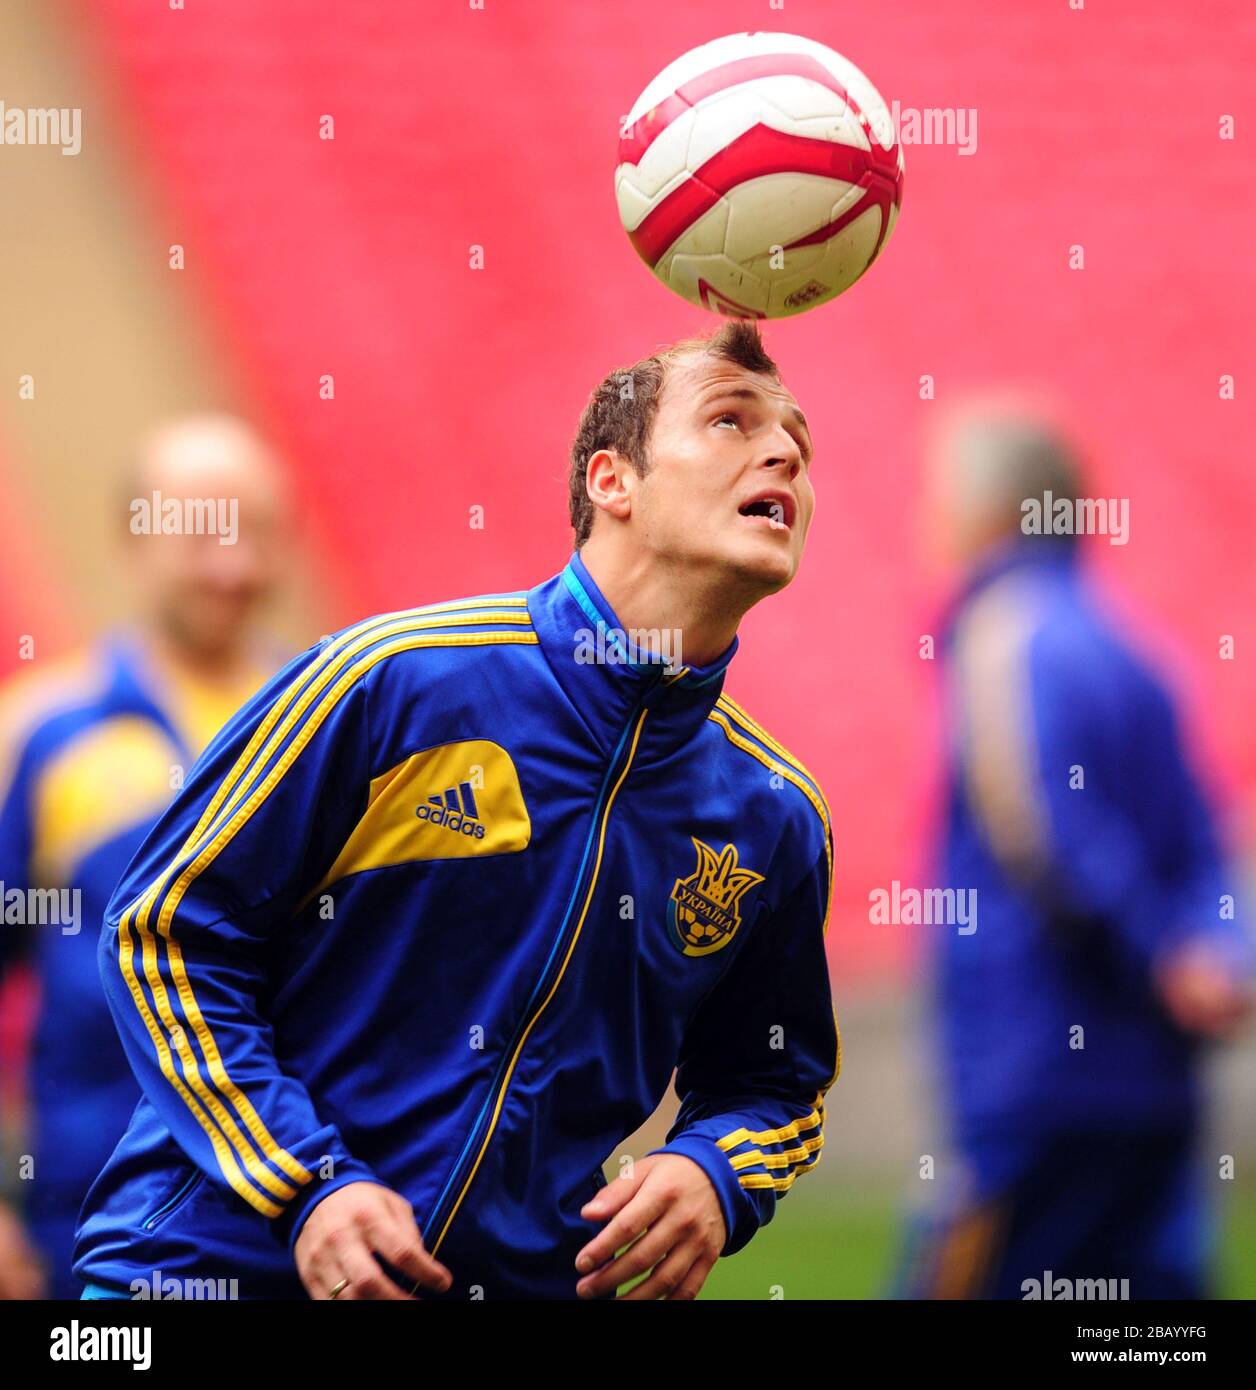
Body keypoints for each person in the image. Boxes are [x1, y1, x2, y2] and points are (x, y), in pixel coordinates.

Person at [73, 320, 839, 1301]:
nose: (782, 452)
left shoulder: (772, 816)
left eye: (797, 443)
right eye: (730, 420)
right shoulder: (391, 682)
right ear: (612, 481)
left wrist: (714, 1172)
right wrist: (306, 1186)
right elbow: (160, 933)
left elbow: (772, 1081)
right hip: (203, 1271)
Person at [898, 402, 1252, 1299]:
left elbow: (1044, 828)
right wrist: (1217, 955)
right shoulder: (1135, 647)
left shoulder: (1004, 631)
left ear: (991, 511)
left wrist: (1155, 951)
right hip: (1152, 1089)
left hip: (1035, 1079)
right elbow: (1206, 841)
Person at [0, 416, 291, 1298]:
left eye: (259, 530)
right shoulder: (41, 734)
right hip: (82, 1224)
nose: (233, 564)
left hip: (283, 1217)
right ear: (137, 533)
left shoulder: (320, 725)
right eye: (205, 529)